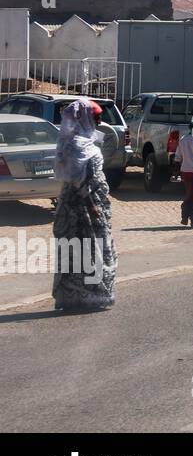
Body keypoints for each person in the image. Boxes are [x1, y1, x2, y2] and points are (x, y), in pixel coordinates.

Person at [52, 99, 116, 311]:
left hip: (91, 201)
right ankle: (83, 297)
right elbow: (77, 178)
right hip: (81, 207)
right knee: (84, 247)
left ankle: (87, 295)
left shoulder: (85, 140)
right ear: (85, 118)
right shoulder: (77, 144)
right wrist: (91, 205)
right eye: (96, 117)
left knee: (89, 247)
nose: (100, 121)